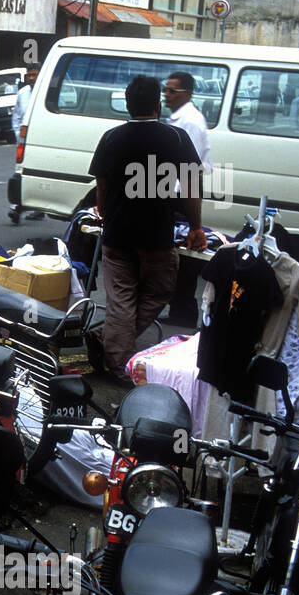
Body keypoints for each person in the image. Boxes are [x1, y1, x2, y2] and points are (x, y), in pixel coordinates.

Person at [88, 74, 206, 385]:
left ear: (127, 105)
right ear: (157, 105)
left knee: (121, 300)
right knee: (160, 291)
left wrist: (106, 215)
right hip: (157, 235)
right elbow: (192, 186)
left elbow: (102, 187)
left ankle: (107, 340)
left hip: (117, 236)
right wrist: (195, 227)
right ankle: (118, 364)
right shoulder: (176, 137)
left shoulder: (111, 138)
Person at [160, 71, 213, 325]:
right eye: (165, 90)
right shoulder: (181, 117)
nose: (166, 95)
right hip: (178, 189)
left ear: (187, 93)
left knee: (182, 252)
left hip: (182, 191)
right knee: (179, 251)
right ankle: (180, 308)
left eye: (172, 91)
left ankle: (183, 310)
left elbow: (187, 167)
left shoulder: (189, 120)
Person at [6, 66, 41, 224]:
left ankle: (36, 208)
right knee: (21, 173)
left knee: (38, 174)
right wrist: (19, 138)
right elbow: (17, 118)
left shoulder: (46, 92)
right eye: (29, 75)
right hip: (24, 141)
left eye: (34, 75)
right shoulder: (22, 93)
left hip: (41, 141)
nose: (31, 78)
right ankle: (17, 207)